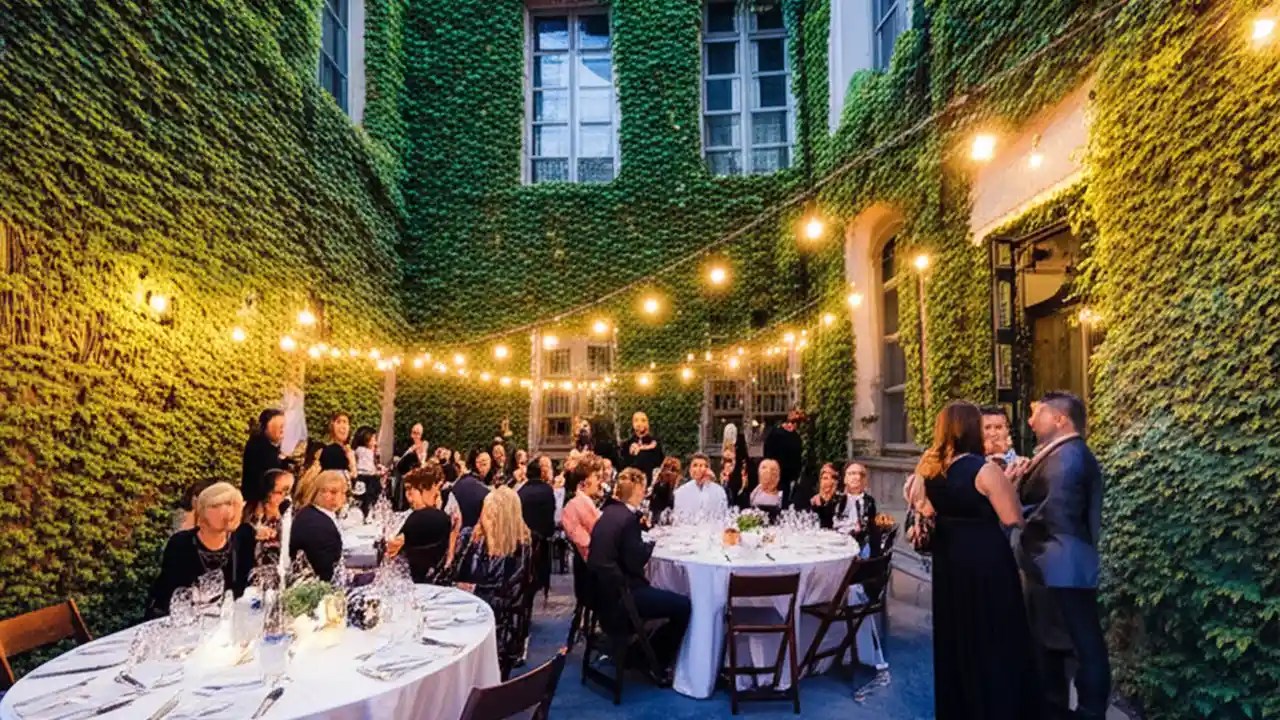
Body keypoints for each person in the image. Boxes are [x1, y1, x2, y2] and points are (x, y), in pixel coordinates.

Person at [908, 401, 1039, 719]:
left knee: (959, 635)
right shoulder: (985, 470)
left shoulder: (932, 471)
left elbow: (920, 505)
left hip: (950, 560)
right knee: (995, 634)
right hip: (985, 559)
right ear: (970, 429)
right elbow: (1012, 518)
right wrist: (1015, 483)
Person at [1013, 392, 1108, 720]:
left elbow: (1055, 515)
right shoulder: (1063, 453)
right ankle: (1055, 707)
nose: (1029, 420)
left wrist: (1016, 521)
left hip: (1058, 563)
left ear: (1059, 419)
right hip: (1059, 563)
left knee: (1082, 644)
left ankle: (1087, 711)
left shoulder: (1067, 458)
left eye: (1036, 413)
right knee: (1054, 642)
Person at [588, 468, 690, 681]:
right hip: (624, 596)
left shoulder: (608, 513)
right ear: (637, 491)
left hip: (601, 595)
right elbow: (636, 562)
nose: (645, 493)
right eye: (643, 489)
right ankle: (653, 660)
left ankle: (643, 652)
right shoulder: (627, 520)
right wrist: (650, 545)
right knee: (684, 606)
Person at [449, 487, 532, 676]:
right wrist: (453, 541)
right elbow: (451, 576)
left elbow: (511, 601)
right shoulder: (472, 538)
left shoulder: (519, 550)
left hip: (498, 629)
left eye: (488, 514)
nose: (482, 518)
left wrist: (473, 590)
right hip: (464, 615)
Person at [147, 482, 251, 618]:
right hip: (183, 621)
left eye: (231, 504)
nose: (227, 511)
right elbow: (170, 593)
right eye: (216, 506)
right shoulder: (181, 543)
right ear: (203, 510)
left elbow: (244, 586)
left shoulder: (243, 539)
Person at [387, 462, 459, 582]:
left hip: (409, 581)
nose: (408, 496)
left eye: (411, 490)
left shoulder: (425, 518)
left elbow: (390, 549)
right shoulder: (435, 517)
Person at [289, 470, 347, 582]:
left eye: (341, 492)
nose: (335, 497)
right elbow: (328, 572)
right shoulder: (318, 526)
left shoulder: (311, 512)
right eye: (332, 492)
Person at [236, 469, 293, 569]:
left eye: (287, 492)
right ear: (268, 492)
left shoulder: (287, 515)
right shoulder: (249, 512)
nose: (285, 497)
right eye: (280, 492)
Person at [518, 452, 557, 596]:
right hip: (542, 537)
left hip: (526, 537)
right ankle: (543, 586)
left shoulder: (521, 491)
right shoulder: (547, 490)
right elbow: (550, 511)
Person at [241, 409, 288, 505]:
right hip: (260, 501)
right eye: (280, 427)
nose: (283, 430)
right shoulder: (260, 447)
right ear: (268, 427)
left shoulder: (266, 445)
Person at [561, 455, 603, 559]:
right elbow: (588, 540)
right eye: (597, 477)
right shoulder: (576, 505)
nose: (600, 482)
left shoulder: (583, 502)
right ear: (583, 482)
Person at [763, 408, 806, 504]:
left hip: (774, 476)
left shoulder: (774, 433)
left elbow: (767, 453)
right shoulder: (796, 439)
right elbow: (797, 462)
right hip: (784, 479)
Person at [835, 462, 879, 550]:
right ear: (845, 479)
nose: (858, 477)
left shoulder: (869, 502)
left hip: (861, 546)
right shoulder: (837, 500)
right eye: (852, 473)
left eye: (862, 475)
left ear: (866, 481)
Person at [444, 450, 492, 530]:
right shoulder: (485, 492)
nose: (488, 467)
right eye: (485, 463)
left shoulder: (459, 482)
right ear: (478, 464)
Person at [673, 453, 728, 517]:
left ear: (708, 469)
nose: (698, 469)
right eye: (695, 465)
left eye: (701, 466)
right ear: (690, 470)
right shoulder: (680, 492)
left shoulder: (719, 491)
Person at [622, 412, 664, 482]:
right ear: (632, 424)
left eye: (643, 420)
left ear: (648, 424)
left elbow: (659, 463)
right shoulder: (627, 444)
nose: (639, 423)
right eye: (636, 420)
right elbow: (624, 465)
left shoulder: (655, 443)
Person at [981, 405, 1025, 473]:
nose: (993, 434)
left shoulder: (1022, 463)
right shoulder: (972, 462)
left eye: (998, 427)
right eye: (987, 428)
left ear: (1007, 430)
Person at [352, 425, 381, 516]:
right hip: (368, 478)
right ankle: (368, 513)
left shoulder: (358, 450)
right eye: (373, 439)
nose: (375, 442)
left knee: (364, 497)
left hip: (363, 477)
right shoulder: (364, 451)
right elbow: (369, 467)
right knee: (369, 497)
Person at [649, 456, 681, 523]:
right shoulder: (657, 482)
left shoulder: (679, 490)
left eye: (673, 470)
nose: (668, 472)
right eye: (666, 467)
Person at [809, 463, 841, 528]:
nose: (828, 482)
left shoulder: (841, 501)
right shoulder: (812, 501)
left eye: (833, 478)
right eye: (825, 478)